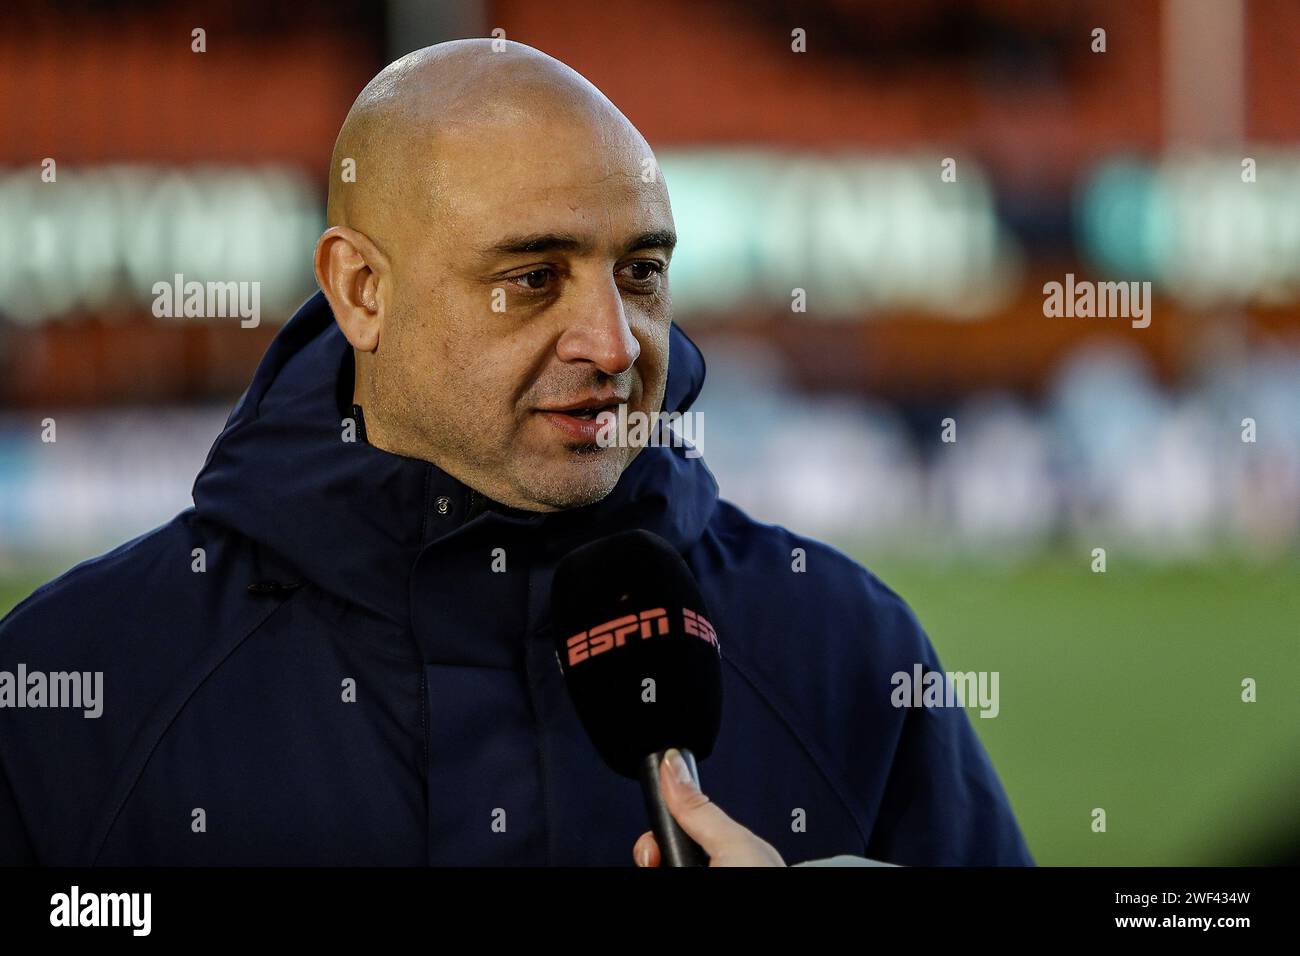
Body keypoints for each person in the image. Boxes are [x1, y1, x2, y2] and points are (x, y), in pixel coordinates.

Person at [0, 39, 1032, 867]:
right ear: (362, 291)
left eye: (639, 271)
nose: (614, 343)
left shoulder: (845, 650)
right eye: (533, 277)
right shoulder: (79, 683)